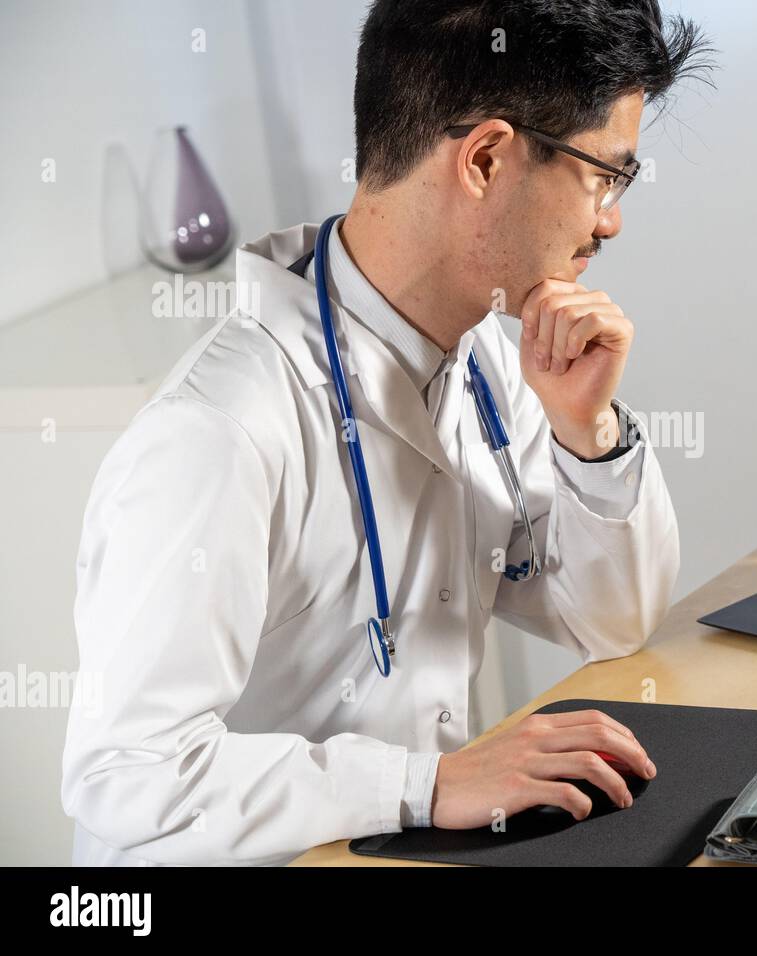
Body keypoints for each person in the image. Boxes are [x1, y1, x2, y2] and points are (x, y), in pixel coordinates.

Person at [62, 0, 711, 866]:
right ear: (485, 159)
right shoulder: (219, 432)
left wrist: (584, 431)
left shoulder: (482, 356)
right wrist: (425, 784)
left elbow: (610, 622)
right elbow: (126, 775)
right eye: (607, 175)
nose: (611, 220)